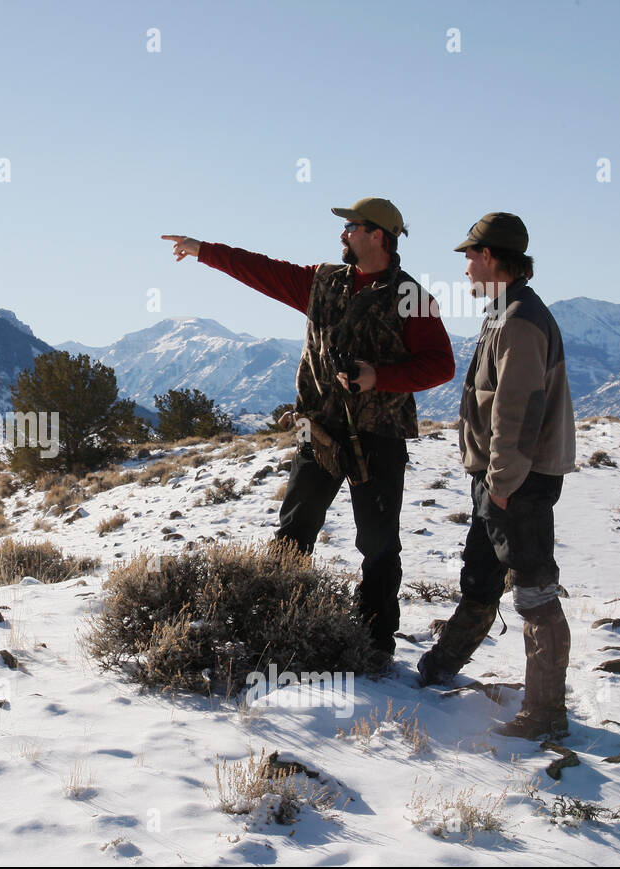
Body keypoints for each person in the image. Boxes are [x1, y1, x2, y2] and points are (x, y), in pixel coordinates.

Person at [163, 198, 454, 664]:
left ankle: (375, 645)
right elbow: (261, 270)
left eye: (352, 227)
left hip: (379, 436)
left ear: (378, 235)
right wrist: (204, 250)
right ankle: (274, 624)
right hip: (313, 430)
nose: (343, 234)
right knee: (293, 530)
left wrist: (378, 377)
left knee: (378, 545)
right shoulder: (323, 282)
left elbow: (441, 365)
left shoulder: (411, 297)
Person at [417, 212, 576, 740]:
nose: (464, 267)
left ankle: (546, 713)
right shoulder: (503, 313)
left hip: (518, 481)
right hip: (500, 478)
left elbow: (519, 410)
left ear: (491, 258)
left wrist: (504, 483)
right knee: (482, 573)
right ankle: (440, 666)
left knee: (532, 589)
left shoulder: (519, 320)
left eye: (469, 256)